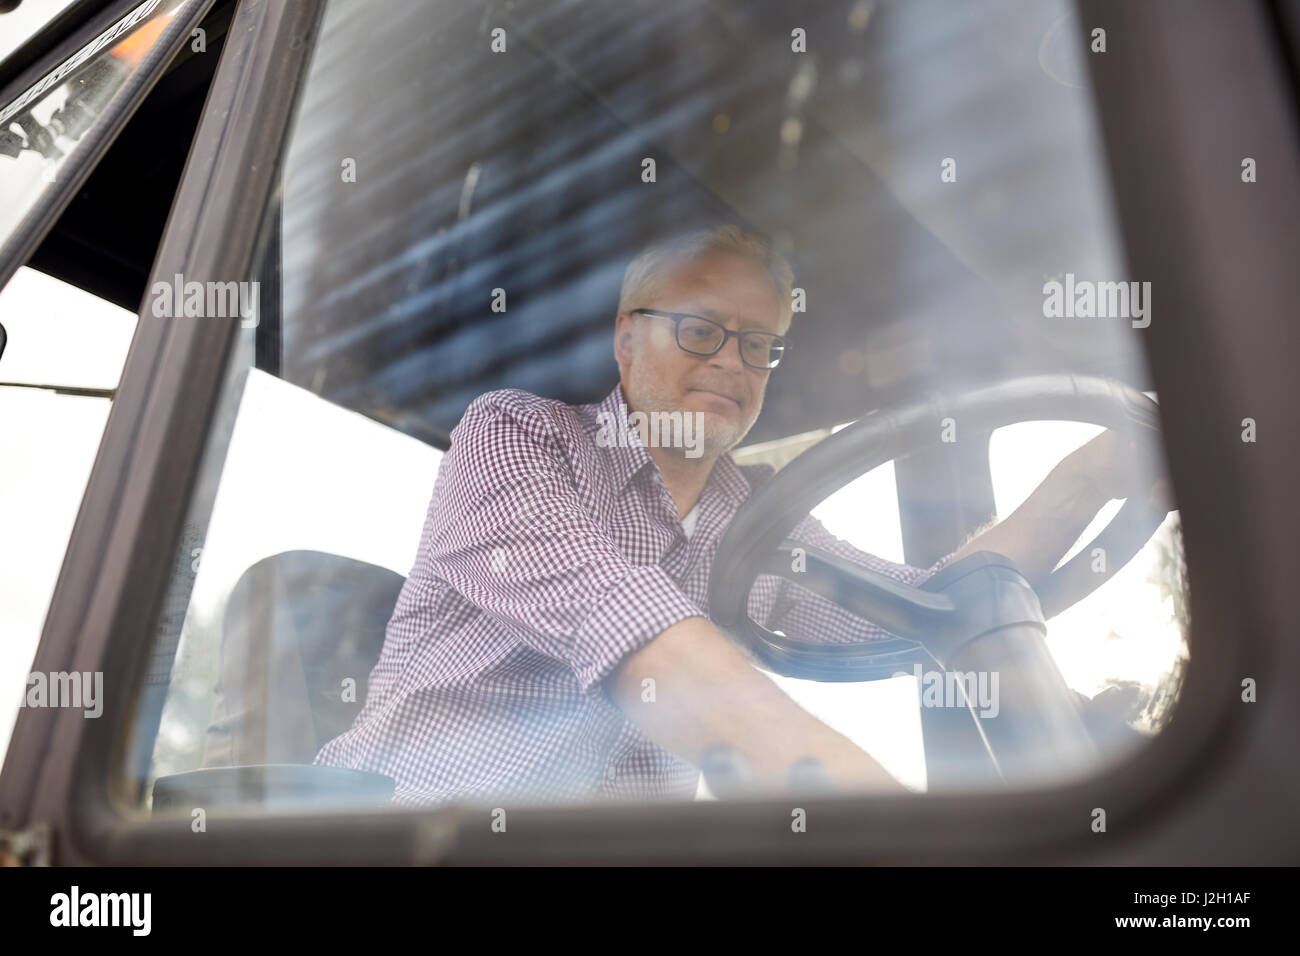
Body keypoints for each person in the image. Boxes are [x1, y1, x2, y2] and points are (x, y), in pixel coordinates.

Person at [313, 224, 1169, 806]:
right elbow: (626, 623)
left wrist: (1087, 478)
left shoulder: (760, 526)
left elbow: (935, 604)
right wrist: (882, 816)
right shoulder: (520, 437)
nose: (734, 362)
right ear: (626, 340)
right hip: (400, 848)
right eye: (701, 332)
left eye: (758, 345)